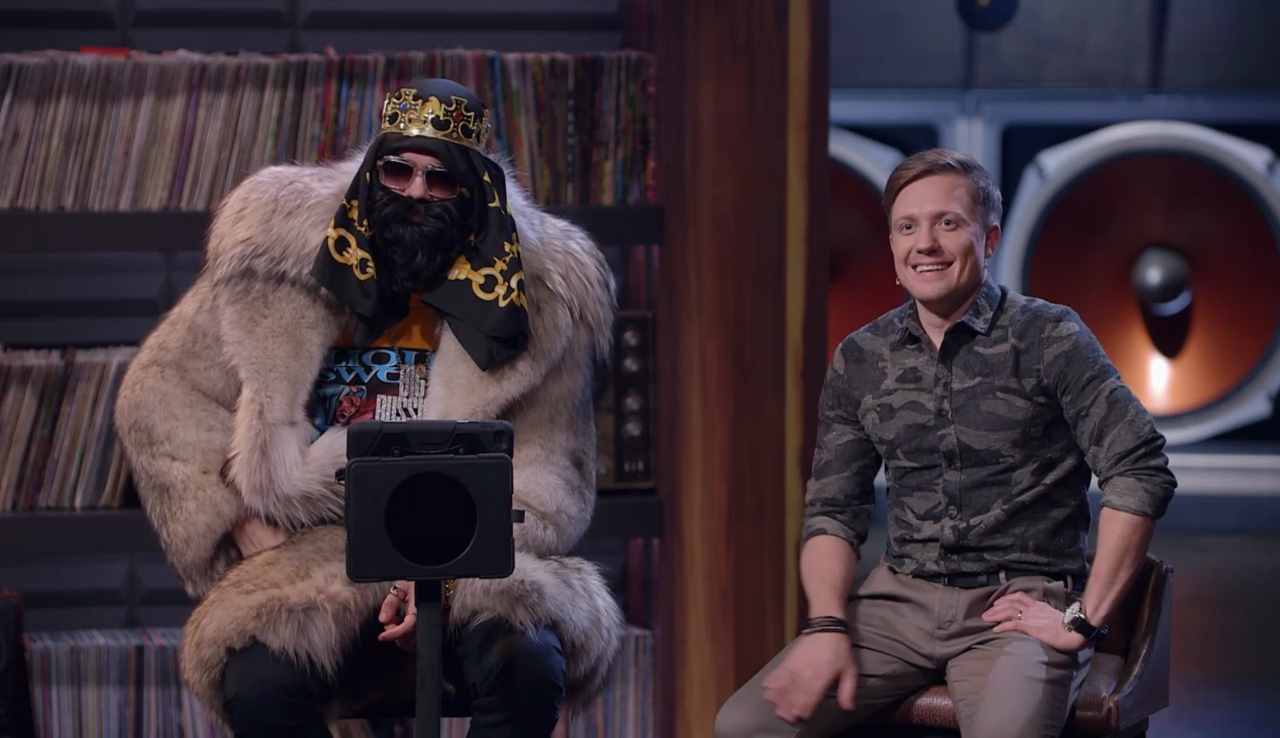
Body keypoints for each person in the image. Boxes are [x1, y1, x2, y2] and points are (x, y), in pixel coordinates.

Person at [113, 78, 624, 737]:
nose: (415, 191)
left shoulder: (543, 291)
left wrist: (442, 574)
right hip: (311, 549)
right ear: (373, 171)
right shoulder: (277, 254)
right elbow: (160, 396)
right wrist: (236, 517)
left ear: (474, 191)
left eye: (441, 179)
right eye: (398, 170)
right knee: (260, 687)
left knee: (526, 664)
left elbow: (552, 477)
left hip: (466, 550)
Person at [715, 148, 1177, 738]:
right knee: (743, 726)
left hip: (1015, 605)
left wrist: (1082, 619)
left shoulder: (1049, 335)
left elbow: (1139, 469)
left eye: (948, 223)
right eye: (908, 227)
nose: (925, 244)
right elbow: (832, 511)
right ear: (891, 244)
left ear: (989, 239)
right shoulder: (861, 356)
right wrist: (826, 625)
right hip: (895, 604)